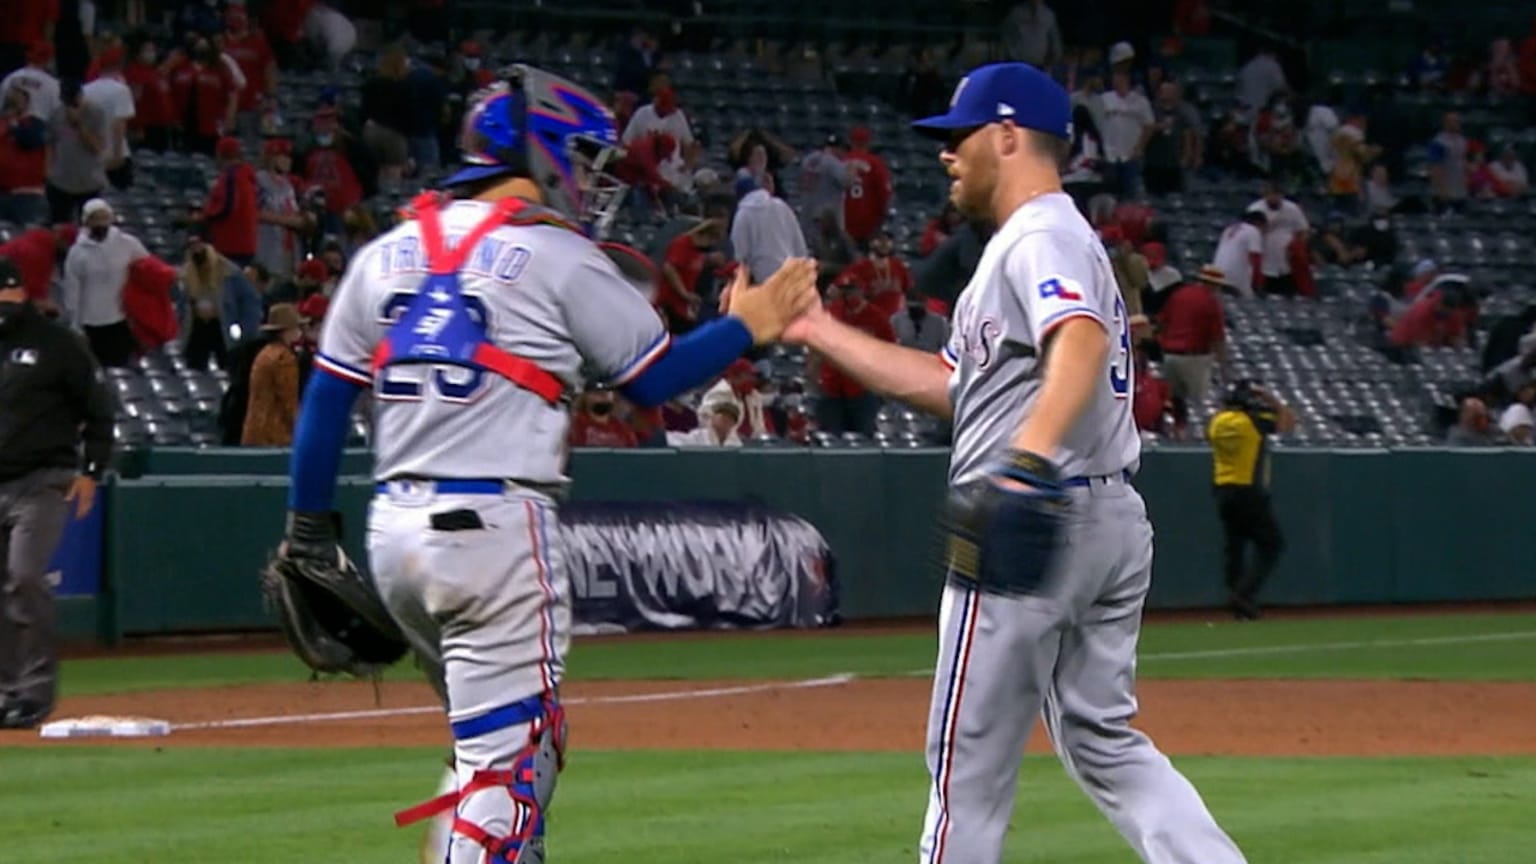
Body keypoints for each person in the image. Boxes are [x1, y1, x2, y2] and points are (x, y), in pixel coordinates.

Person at [275, 65, 816, 864]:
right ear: (538, 151)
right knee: (508, 772)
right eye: (584, 160)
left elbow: (325, 404)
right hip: (493, 532)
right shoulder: (553, 255)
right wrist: (749, 326)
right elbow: (652, 379)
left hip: (395, 533)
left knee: (493, 749)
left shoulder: (386, 253)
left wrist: (307, 531)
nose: (592, 183)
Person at [779, 62, 1249, 864]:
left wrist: (1025, 464)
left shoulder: (1040, 236)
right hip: (1103, 518)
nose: (945, 154)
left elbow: (1082, 338)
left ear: (1007, 135)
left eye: (959, 136)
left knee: (966, 769)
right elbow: (954, 386)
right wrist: (815, 329)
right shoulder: (1047, 241)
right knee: (1104, 740)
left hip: (1038, 518)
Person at [0, 255, 113, 729]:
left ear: (19, 292)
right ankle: (6, 690)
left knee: (24, 576)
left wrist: (91, 469)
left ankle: (34, 691)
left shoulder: (57, 343)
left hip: (43, 479)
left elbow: (99, 409)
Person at [1207, 379, 1294, 620]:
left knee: (1235, 547)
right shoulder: (1253, 422)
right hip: (1249, 489)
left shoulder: (1216, 423)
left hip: (1223, 489)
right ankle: (1243, 595)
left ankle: (1238, 602)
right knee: (1271, 544)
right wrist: (1268, 397)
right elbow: (1287, 421)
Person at [60, 198, 147, 367]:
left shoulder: (127, 243)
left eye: (103, 218)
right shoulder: (77, 253)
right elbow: (73, 288)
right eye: (95, 219)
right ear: (87, 221)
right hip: (90, 320)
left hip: (121, 318)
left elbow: (146, 268)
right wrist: (75, 322)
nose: (100, 223)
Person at [1157, 265, 1227, 404]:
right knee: (1197, 404)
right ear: (1213, 285)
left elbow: (1161, 323)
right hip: (1195, 358)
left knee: (1172, 404)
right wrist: (1224, 366)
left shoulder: (1179, 294)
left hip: (1170, 356)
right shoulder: (1211, 302)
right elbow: (1217, 338)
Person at [241, 302, 306, 446]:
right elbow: (289, 401)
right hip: (275, 435)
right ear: (286, 331)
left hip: (255, 431)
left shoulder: (264, 354)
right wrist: (303, 431)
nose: (300, 332)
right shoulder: (284, 358)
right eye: (296, 328)